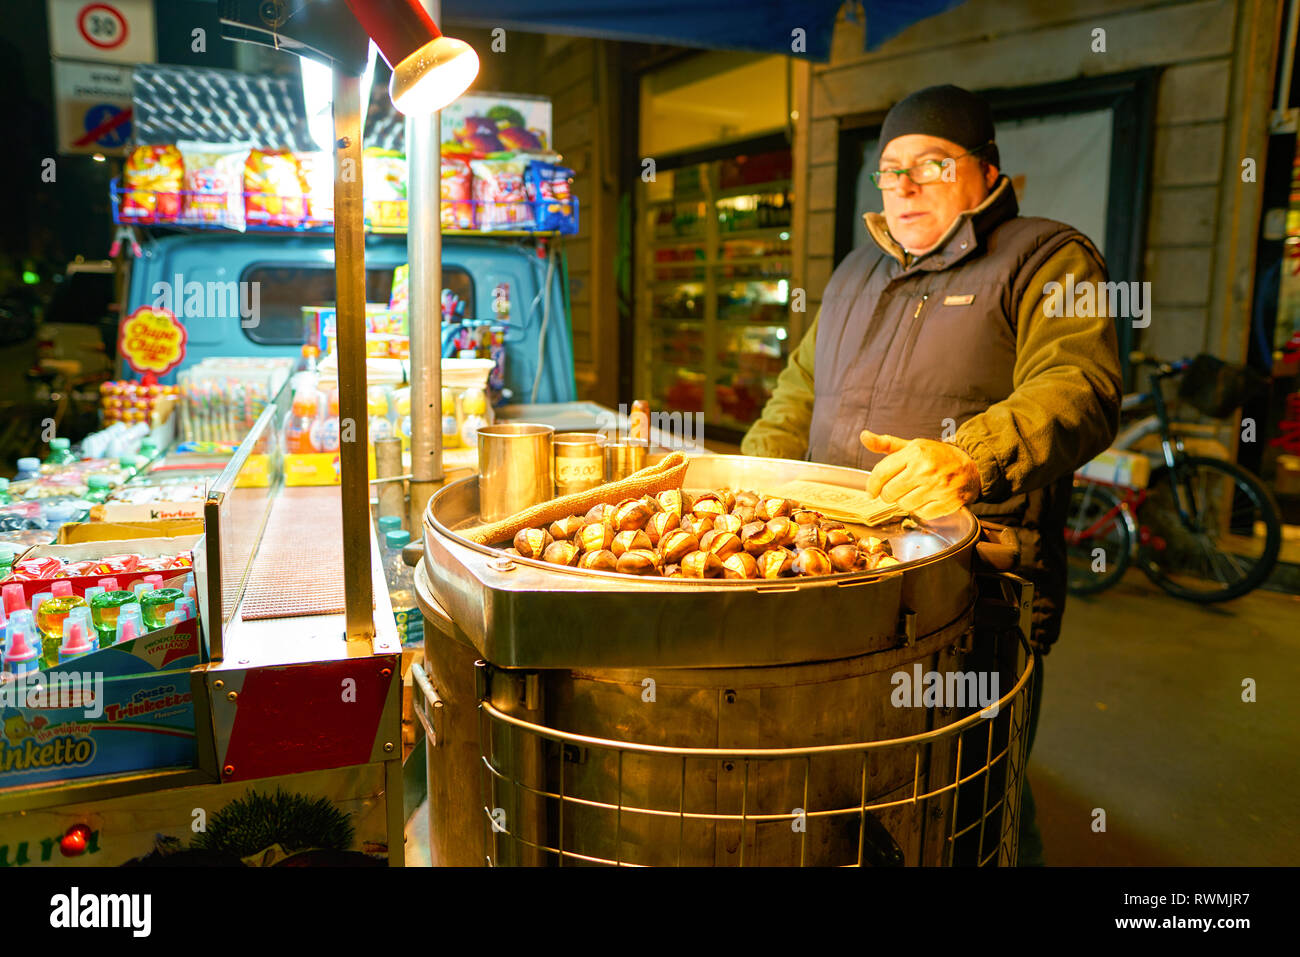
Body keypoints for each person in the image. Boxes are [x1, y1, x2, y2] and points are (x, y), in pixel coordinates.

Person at [741, 84, 1123, 865]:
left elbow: (1078, 387)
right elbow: (795, 395)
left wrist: (969, 456)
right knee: (849, 792)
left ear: (986, 172)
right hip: (837, 583)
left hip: (972, 596)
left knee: (973, 808)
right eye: (890, 170)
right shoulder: (853, 274)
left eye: (932, 164)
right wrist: (746, 483)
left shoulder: (1049, 258)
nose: (905, 186)